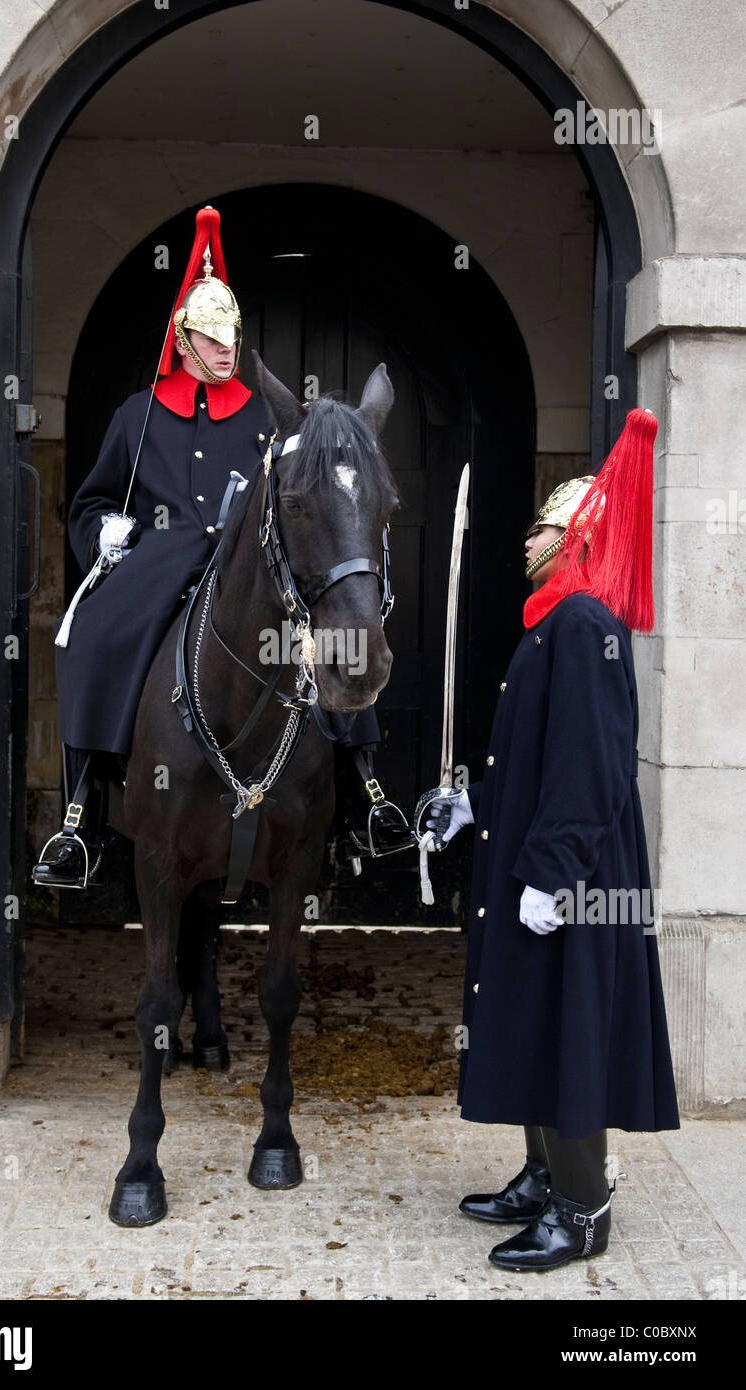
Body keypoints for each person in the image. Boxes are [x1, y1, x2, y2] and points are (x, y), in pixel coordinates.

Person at [34, 205, 410, 890]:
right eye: (210, 338)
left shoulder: (265, 412)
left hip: (246, 562)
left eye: (231, 337)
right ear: (182, 340)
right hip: (159, 556)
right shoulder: (137, 415)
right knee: (93, 634)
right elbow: (88, 503)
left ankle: (365, 789)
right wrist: (104, 538)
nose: (224, 349)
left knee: (336, 631)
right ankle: (82, 814)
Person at [428, 408, 679, 1271]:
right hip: (540, 858)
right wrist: (476, 805)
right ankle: (542, 1177)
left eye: (543, 521)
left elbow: (593, 770)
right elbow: (535, 763)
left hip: (572, 873)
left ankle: (582, 1207)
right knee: (534, 1017)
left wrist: (553, 874)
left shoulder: (584, 628)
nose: (527, 534)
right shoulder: (552, 623)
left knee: (569, 1031)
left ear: (575, 533)